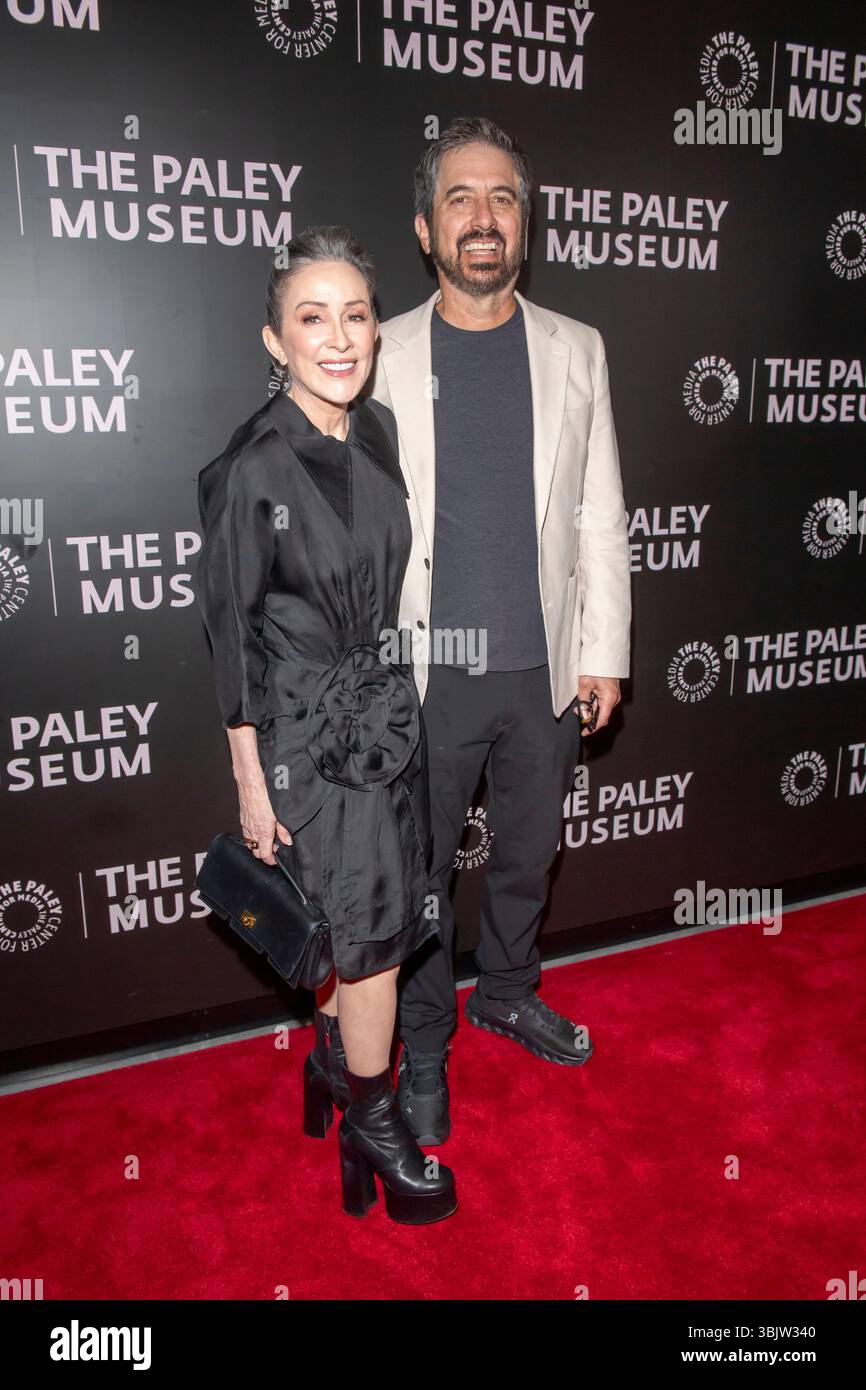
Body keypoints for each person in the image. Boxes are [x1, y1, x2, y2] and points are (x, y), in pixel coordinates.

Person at [367, 117, 632, 1145]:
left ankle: (508, 991)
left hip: (543, 671)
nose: (483, 218)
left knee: (527, 856)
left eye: (503, 199)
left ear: (525, 222)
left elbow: (596, 512)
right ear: (426, 230)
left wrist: (602, 650)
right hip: (427, 676)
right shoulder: (377, 352)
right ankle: (424, 1042)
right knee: (422, 880)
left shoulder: (576, 348)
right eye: (460, 200)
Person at [195, 226, 457, 1224]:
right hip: (304, 731)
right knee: (371, 941)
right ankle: (373, 1119)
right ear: (274, 337)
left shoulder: (376, 430)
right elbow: (230, 641)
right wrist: (252, 780)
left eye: (356, 315)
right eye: (313, 317)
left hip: (385, 711)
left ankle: (329, 1066)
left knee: (374, 924)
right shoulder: (249, 469)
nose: (339, 337)